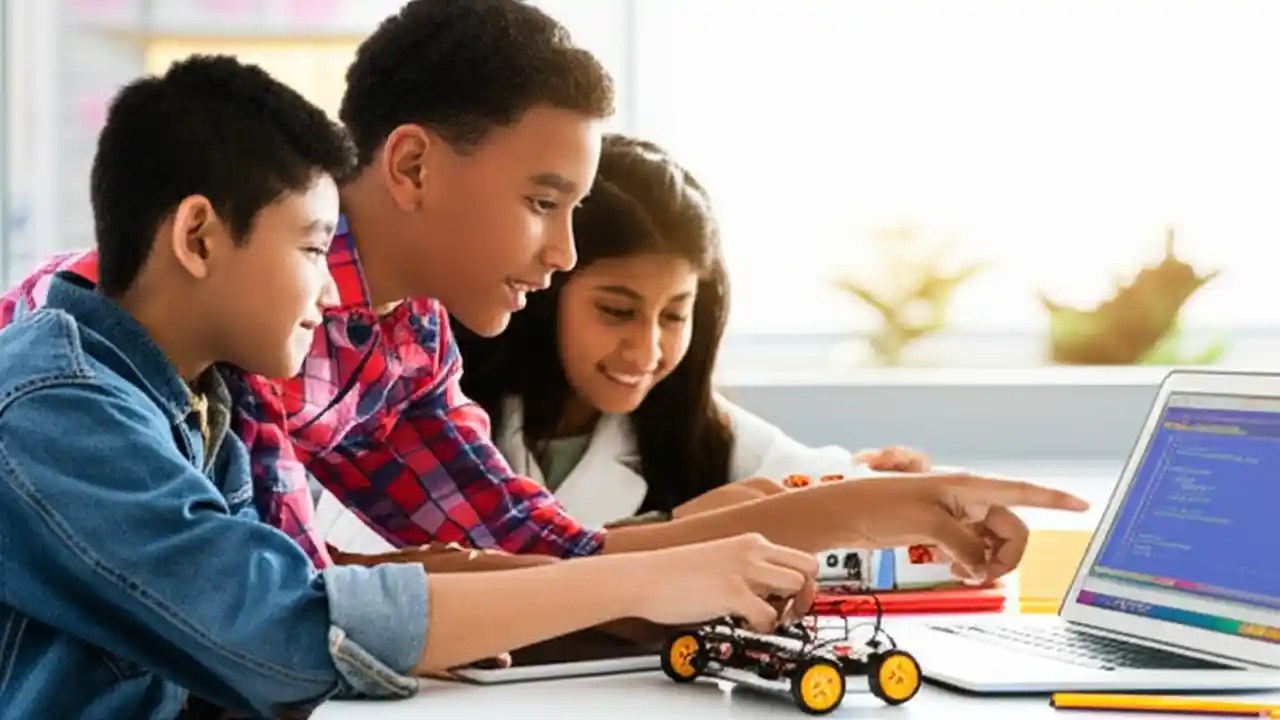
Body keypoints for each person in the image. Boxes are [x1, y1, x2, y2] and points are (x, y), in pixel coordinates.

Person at [0, 0, 1086, 584]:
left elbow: (540, 554)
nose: (564, 253)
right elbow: (300, 603)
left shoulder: (405, 342)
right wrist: (414, 571)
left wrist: (885, 506)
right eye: (542, 200)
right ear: (413, 167)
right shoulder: (250, 308)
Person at [0, 55, 827, 719]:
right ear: (198, 235)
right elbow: (282, 630)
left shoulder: (198, 402)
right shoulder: (54, 408)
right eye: (315, 251)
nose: (333, 298)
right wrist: (643, 579)